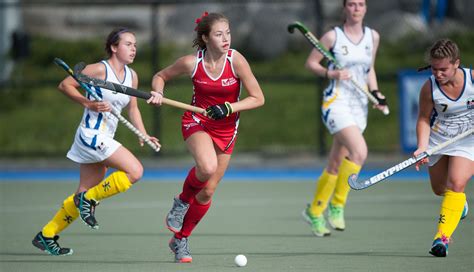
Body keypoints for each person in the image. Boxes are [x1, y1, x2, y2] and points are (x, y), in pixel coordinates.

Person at [147, 12, 264, 263]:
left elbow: (258, 98)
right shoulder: (192, 63)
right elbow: (160, 76)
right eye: (219, 34)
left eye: (228, 33)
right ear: (205, 37)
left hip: (226, 129)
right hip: (197, 121)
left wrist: (229, 107)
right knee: (207, 166)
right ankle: (181, 202)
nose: (226, 39)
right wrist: (158, 93)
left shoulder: (236, 61)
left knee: (208, 192)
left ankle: (180, 240)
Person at [32, 27, 160, 256]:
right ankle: (88, 200)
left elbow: (133, 108)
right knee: (135, 171)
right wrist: (88, 103)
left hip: (103, 138)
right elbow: (65, 85)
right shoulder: (100, 69)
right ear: (113, 47)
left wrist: (143, 133)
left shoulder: (132, 75)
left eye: (135, 45)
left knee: (83, 191)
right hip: (91, 135)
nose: (133, 49)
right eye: (128, 44)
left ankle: (47, 235)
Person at [302, 0, 388, 237]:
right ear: (344, 9)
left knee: (335, 163)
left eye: (361, 4)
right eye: (351, 4)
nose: (356, 8)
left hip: (359, 106)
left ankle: (315, 212)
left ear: (366, 8)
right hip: (336, 103)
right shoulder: (333, 37)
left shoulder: (373, 37)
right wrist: (332, 72)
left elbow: (370, 69)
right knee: (359, 151)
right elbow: (311, 63)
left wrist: (377, 93)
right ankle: (337, 205)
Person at [414, 38, 473, 257]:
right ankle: (460, 205)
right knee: (440, 189)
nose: (438, 74)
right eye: (434, 68)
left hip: (469, 139)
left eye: (444, 69)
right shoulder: (429, 87)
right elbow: (422, 118)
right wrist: (421, 147)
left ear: (456, 63)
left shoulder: (472, 80)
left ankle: (441, 239)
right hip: (440, 138)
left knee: (456, 183)